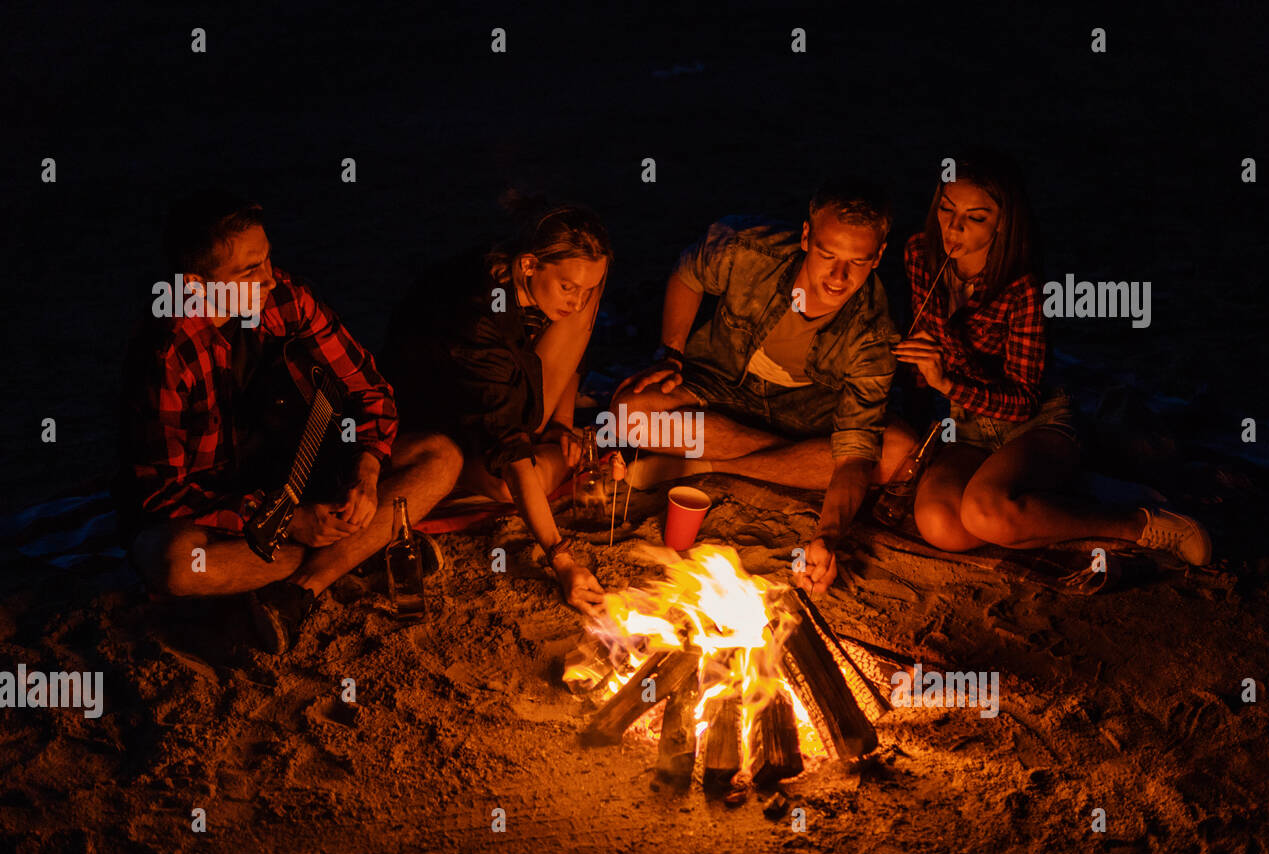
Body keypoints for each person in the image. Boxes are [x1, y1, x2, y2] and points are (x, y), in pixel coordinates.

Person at [115, 189, 463, 653]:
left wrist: (367, 470)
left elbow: (369, 389)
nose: (269, 277)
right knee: (176, 564)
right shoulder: (166, 356)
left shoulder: (287, 300)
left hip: (307, 470)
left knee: (440, 456)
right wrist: (285, 521)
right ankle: (356, 554)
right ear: (197, 285)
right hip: (229, 505)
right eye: (249, 270)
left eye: (267, 260)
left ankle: (307, 583)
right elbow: (164, 492)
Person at [896, 151, 1212, 564]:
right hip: (969, 427)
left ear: (1003, 224)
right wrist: (919, 383)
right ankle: (1054, 497)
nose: (952, 227)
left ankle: (1136, 522)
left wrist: (947, 384)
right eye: (946, 208)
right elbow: (926, 345)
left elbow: (1024, 400)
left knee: (984, 512)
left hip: (1034, 424)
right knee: (942, 526)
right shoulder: (920, 255)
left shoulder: (1023, 288)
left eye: (975, 218)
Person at [612, 178, 916, 593]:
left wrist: (827, 535)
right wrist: (671, 353)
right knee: (629, 418)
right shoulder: (749, 249)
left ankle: (707, 463)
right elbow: (688, 272)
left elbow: (855, 451)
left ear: (879, 255)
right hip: (724, 381)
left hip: (806, 412)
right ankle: (784, 462)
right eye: (828, 254)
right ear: (807, 236)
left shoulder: (875, 334)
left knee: (897, 453)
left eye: (857, 261)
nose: (839, 276)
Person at [381, 200, 616, 615]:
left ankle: (560, 448)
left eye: (586, 289)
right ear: (529, 265)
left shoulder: (525, 279)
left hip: (505, 400)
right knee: (516, 485)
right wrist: (561, 559)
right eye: (568, 287)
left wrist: (563, 426)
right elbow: (507, 446)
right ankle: (568, 460)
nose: (578, 303)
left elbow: (569, 351)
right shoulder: (477, 320)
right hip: (438, 424)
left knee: (538, 462)